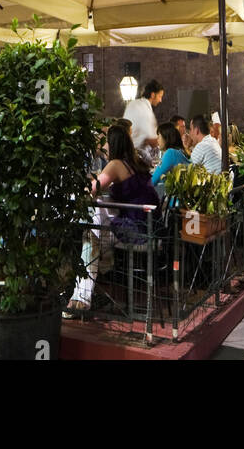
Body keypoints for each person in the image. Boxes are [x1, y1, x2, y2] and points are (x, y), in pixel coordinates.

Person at [65, 125, 158, 317]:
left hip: (135, 230)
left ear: (112, 142)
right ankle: (91, 286)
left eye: (104, 140)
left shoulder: (116, 164)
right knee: (93, 228)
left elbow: (93, 188)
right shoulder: (134, 162)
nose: (102, 144)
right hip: (150, 225)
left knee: (90, 233)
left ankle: (82, 297)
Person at [122, 79, 164, 164]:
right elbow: (152, 140)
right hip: (136, 158)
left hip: (124, 154)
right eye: (160, 96)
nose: (160, 100)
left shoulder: (133, 103)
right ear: (153, 95)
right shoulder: (145, 111)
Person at [149, 122, 190, 187]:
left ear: (166, 138)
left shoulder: (170, 153)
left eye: (159, 136)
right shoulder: (179, 152)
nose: (157, 139)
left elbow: (153, 181)